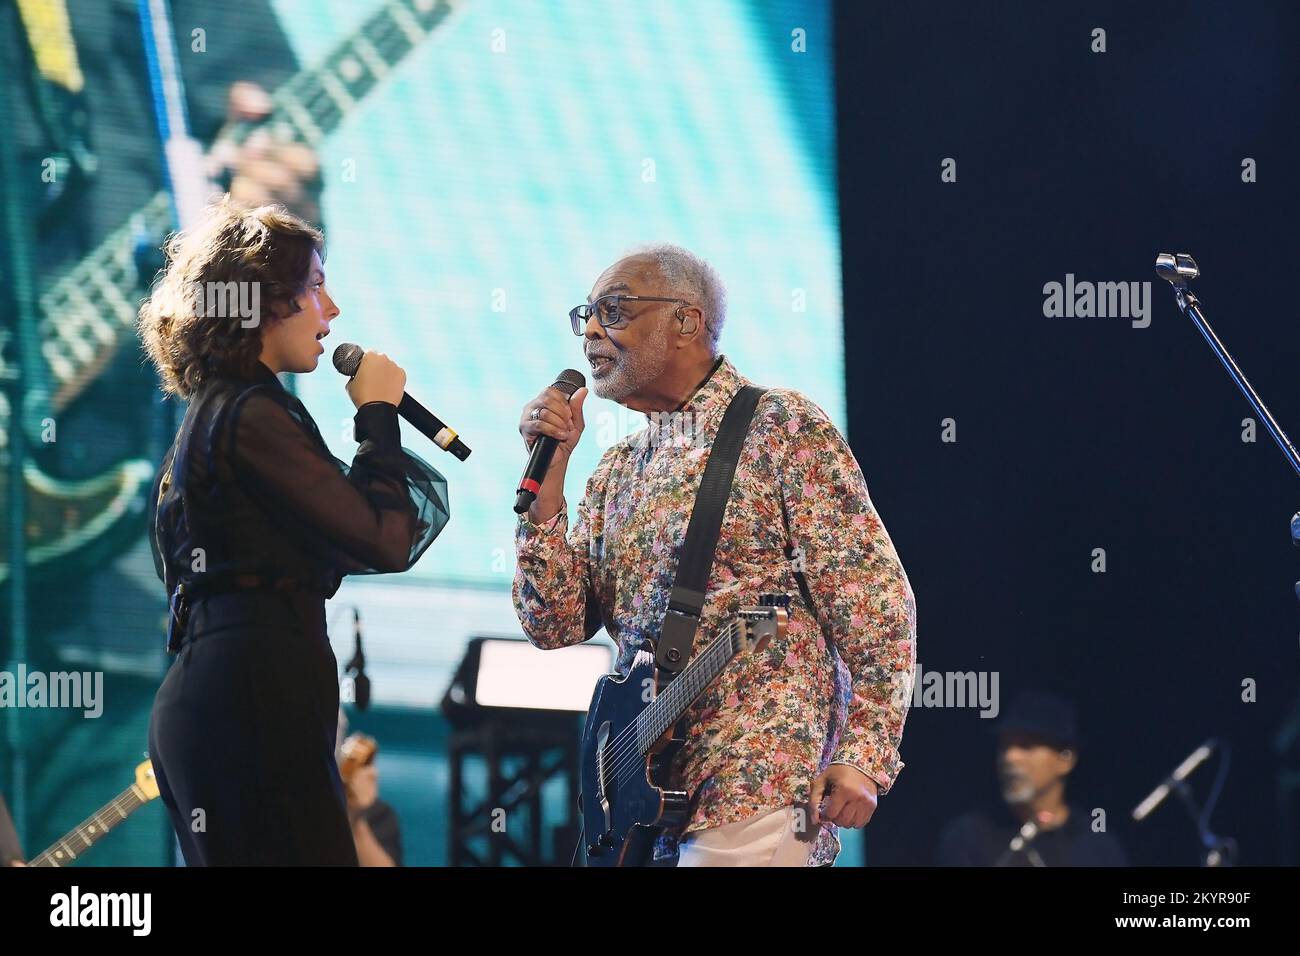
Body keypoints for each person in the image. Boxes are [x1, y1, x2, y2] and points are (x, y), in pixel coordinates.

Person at [513, 244, 916, 866]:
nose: (591, 330)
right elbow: (553, 625)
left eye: (614, 311)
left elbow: (877, 602)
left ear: (686, 322)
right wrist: (550, 489)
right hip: (650, 799)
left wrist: (864, 754)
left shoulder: (780, 427)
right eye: (585, 316)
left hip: (763, 774)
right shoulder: (616, 471)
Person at [138, 197, 449, 865]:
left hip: (237, 686)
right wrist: (376, 415)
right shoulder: (249, 414)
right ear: (260, 300)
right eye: (313, 285)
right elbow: (384, 537)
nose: (330, 310)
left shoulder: (225, 414)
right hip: (251, 694)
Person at [937, 691, 1128, 866]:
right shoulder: (969, 836)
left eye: (1026, 746)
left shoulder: (1096, 846)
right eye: (1005, 746)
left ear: (1065, 759)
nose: (1010, 757)